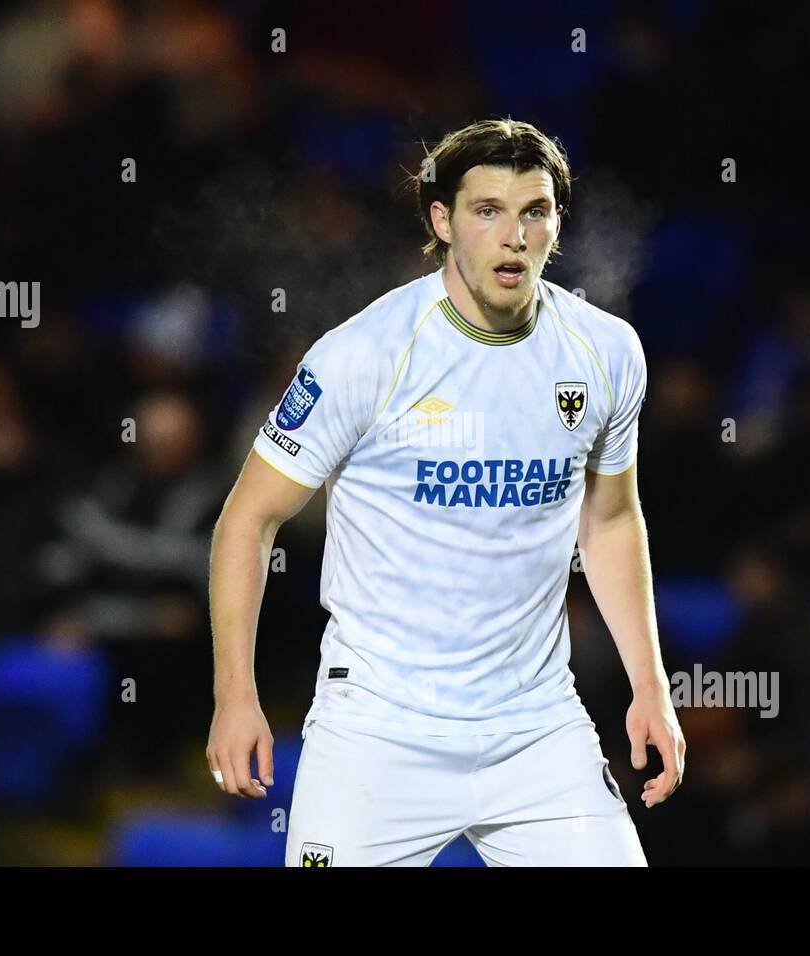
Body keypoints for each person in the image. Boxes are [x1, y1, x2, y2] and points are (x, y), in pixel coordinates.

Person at [206, 118, 684, 866]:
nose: (514, 236)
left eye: (536, 212)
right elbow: (247, 521)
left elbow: (612, 520)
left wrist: (648, 685)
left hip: (535, 726)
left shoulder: (607, 352)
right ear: (442, 220)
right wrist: (235, 697)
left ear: (557, 224)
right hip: (378, 730)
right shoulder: (364, 354)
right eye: (487, 210)